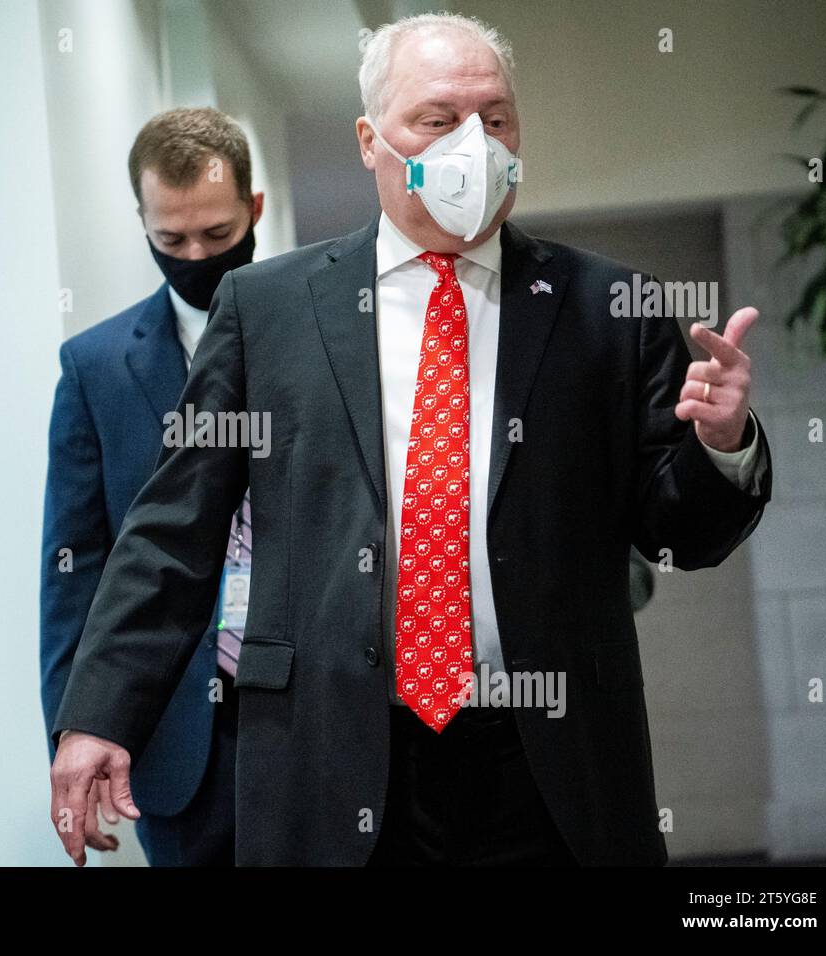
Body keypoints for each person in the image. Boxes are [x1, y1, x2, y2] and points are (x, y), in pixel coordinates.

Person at [48, 13, 772, 866]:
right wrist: (99, 712)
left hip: (546, 762)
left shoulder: (607, 308)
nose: (475, 144)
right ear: (369, 140)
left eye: (495, 119)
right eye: (437, 119)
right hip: (329, 750)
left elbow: (679, 533)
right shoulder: (266, 311)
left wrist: (722, 442)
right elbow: (174, 529)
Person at [40, 107, 263, 866]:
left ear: (255, 209)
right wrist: (77, 728)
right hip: (174, 734)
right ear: (143, 223)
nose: (196, 254)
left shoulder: (325, 332)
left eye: (218, 235)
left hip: (318, 719)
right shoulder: (94, 366)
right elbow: (75, 567)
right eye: (171, 240)